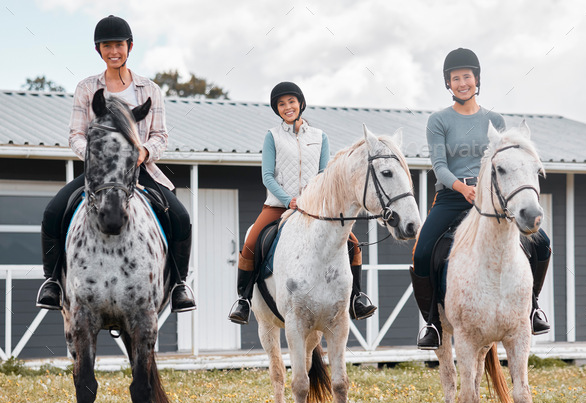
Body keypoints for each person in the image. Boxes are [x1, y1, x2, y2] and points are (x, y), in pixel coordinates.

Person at [36, 15, 196, 313]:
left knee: (180, 217)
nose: (113, 51)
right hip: (96, 174)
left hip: (138, 170)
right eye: (107, 46)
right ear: (99, 50)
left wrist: (142, 153)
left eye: (119, 45)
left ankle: (179, 285)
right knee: (52, 212)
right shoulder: (86, 88)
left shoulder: (149, 89)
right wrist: (96, 158)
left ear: (129, 46)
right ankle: (52, 282)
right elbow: (75, 134)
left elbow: (160, 135)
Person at [410, 48, 551, 350]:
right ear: (448, 83)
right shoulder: (438, 120)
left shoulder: (494, 119)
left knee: (543, 243)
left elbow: (503, 160)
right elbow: (439, 166)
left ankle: (533, 306)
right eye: (455, 78)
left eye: (467, 77)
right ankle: (432, 323)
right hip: (452, 198)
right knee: (422, 252)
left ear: (477, 80)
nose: (462, 83)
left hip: (493, 200)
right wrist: (462, 188)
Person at [228, 81, 376, 324]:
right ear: (277, 109)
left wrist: (310, 199)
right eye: (282, 104)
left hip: (313, 208)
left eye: (291, 102)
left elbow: (323, 175)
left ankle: (357, 297)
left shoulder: (320, 137)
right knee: (251, 243)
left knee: (353, 244)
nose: (288, 107)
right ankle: (243, 300)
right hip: (278, 205)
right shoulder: (272, 137)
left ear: (300, 104)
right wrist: (289, 201)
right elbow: (267, 175)